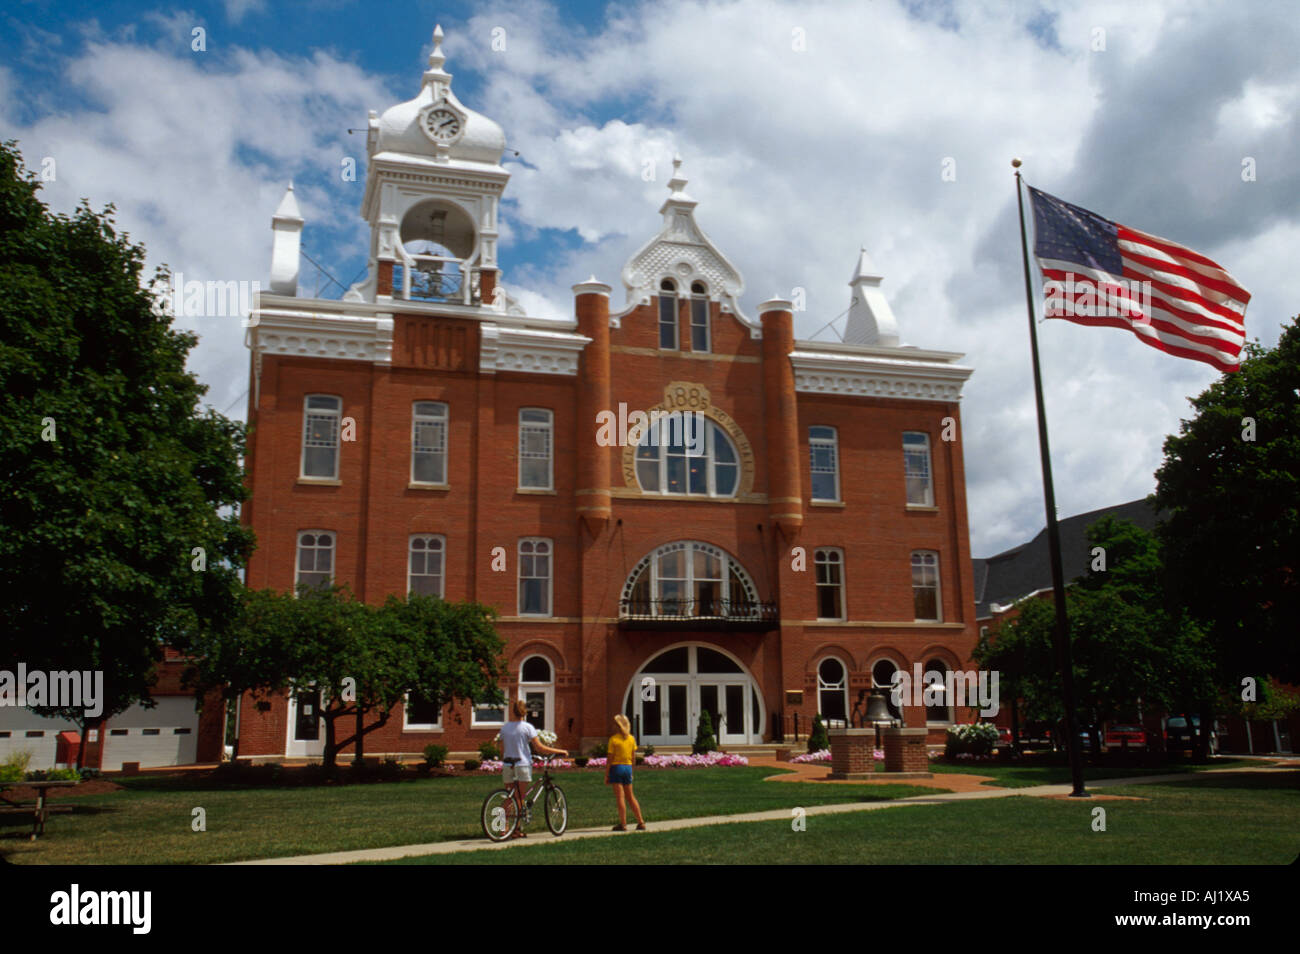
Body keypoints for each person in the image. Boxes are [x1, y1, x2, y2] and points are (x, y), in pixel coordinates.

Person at [499, 699, 567, 838]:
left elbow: (501, 748)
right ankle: (516, 830)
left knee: (509, 797)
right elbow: (539, 747)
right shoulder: (527, 727)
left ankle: (504, 827)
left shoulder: (505, 728)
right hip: (522, 765)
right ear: (525, 712)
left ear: (513, 711)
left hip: (507, 765)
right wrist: (560, 751)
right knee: (519, 797)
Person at [605, 713, 646, 831]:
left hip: (616, 768)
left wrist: (607, 774)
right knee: (630, 796)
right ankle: (641, 821)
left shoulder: (613, 740)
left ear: (618, 726)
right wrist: (631, 771)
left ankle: (623, 824)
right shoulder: (632, 738)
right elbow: (633, 758)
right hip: (627, 768)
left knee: (620, 797)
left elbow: (610, 759)